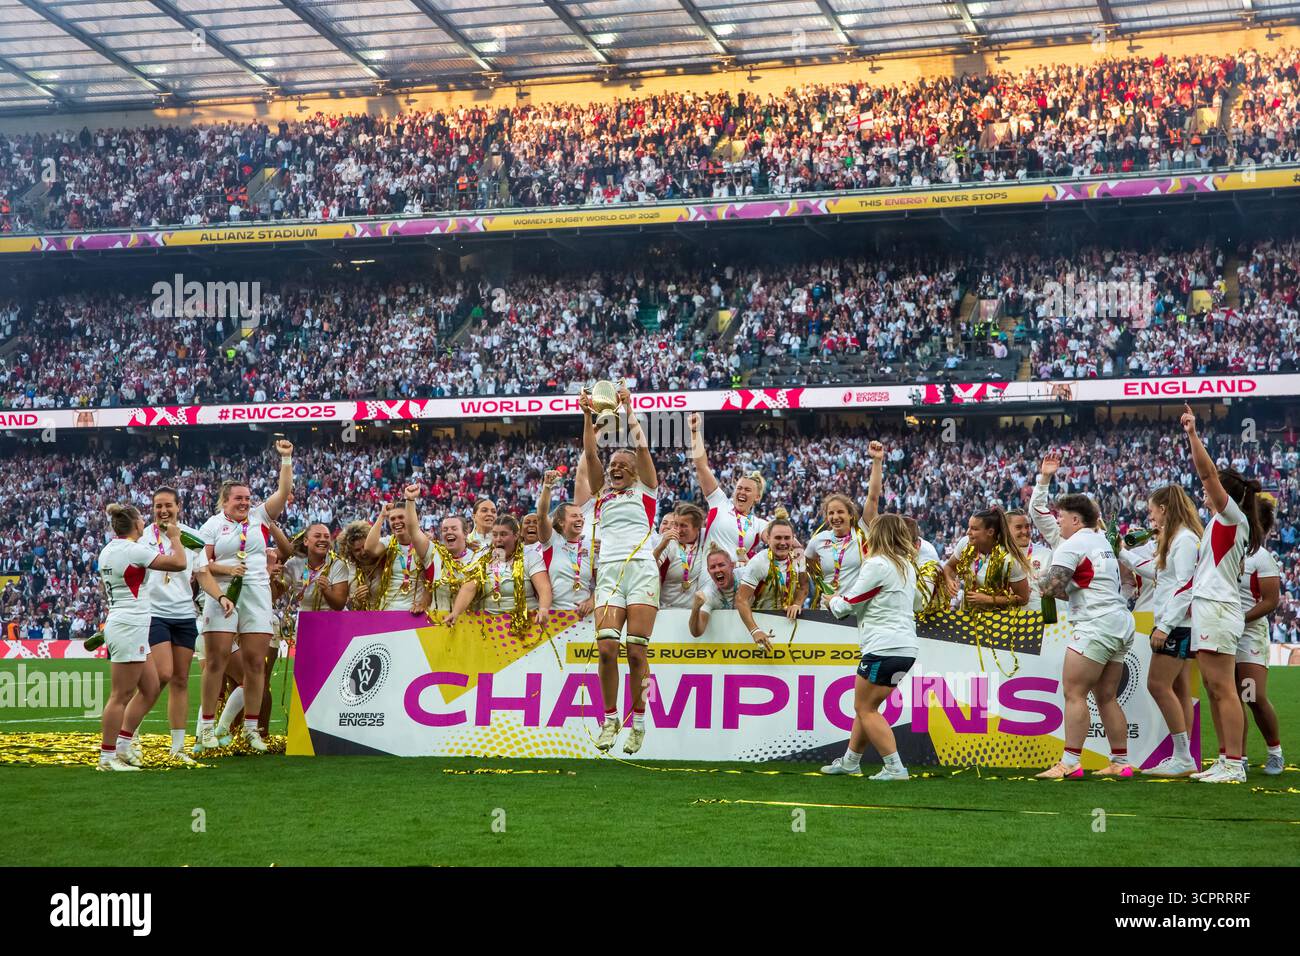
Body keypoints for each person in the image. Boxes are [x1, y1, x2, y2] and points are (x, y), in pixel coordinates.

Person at [195, 439, 294, 753]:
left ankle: (251, 729)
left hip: (256, 595)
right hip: (221, 595)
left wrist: (287, 459)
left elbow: (282, 493)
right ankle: (207, 729)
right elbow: (203, 566)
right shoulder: (211, 525)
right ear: (225, 501)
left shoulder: (259, 518)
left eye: (248, 498)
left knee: (255, 664)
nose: (244, 503)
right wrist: (226, 570)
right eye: (238, 498)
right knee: (216, 662)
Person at [1181, 403, 1261, 783]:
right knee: (1214, 688)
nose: (1202, 488)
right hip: (1210, 608)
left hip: (1217, 609)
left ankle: (1234, 763)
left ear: (1224, 493)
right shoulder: (1219, 521)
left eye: (1209, 487)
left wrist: (1193, 434)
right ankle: (1224, 759)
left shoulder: (1232, 517)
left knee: (1222, 687)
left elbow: (1206, 471)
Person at [821, 514, 932, 781]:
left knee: (865, 708)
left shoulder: (877, 565)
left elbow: (849, 604)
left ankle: (895, 767)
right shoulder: (906, 565)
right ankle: (850, 762)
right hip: (905, 648)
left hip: (883, 646)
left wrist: (832, 600)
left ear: (877, 536)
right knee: (867, 706)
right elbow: (918, 603)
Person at [1035, 490, 1137, 779]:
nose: (1059, 523)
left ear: (1076, 519)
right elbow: (1089, 585)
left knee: (1074, 692)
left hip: (1096, 624)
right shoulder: (1102, 541)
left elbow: (1053, 587)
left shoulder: (1072, 544)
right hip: (1119, 621)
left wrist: (1039, 581)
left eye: (1062, 518)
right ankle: (1120, 762)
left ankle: (1069, 763)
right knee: (1106, 696)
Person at [581, 384, 659, 754]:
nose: (616, 469)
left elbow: (642, 447)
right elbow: (590, 453)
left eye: (622, 467)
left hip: (642, 570)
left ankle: (639, 723)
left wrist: (629, 407)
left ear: (635, 472)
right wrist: (588, 415)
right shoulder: (601, 495)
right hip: (610, 573)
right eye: (613, 466)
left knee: (636, 652)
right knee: (608, 648)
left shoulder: (646, 491)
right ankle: (610, 719)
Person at [95, 504, 188, 771]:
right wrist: (175, 539)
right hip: (129, 626)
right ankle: (107, 757)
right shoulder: (133, 549)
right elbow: (179, 563)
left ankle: (122, 747)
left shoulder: (108, 550)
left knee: (151, 687)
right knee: (120, 695)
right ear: (137, 524)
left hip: (126, 623)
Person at [1130, 484, 1201, 777]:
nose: (1151, 518)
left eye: (1152, 511)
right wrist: (1122, 554)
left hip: (1176, 625)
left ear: (1164, 509)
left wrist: (1164, 626)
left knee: (1157, 685)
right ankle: (1182, 755)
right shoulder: (1179, 539)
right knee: (1179, 689)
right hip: (1178, 624)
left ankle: (1182, 756)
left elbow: (1186, 586)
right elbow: (1159, 572)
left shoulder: (1184, 540)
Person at [142, 487, 204, 765]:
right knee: (162, 675)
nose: (163, 511)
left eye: (168, 505)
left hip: (184, 614)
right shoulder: (142, 539)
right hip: (154, 613)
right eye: (158, 506)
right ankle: (129, 733)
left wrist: (222, 596)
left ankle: (178, 748)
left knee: (180, 680)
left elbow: (201, 574)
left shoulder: (191, 538)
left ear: (179, 507)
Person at [1236, 493, 1284, 776]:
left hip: (1248, 635)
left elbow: (1270, 601)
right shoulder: (1228, 550)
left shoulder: (1262, 558)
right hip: (1223, 633)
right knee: (1231, 697)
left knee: (1252, 695)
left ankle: (1274, 751)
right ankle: (1236, 755)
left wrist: (1239, 620)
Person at [445, 515, 552, 635]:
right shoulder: (483, 556)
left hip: (527, 624)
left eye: (503, 534)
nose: (498, 539)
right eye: (494, 534)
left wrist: (543, 608)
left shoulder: (530, 556)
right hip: (489, 626)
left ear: (516, 536)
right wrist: (456, 612)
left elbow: (544, 587)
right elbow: (469, 587)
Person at [689, 412, 768, 566]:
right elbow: (701, 466)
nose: (742, 492)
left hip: (738, 581)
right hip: (708, 579)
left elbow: (776, 536)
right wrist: (695, 432)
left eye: (747, 490)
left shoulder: (759, 524)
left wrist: (796, 547)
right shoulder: (720, 503)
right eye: (739, 488)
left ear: (757, 497)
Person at [736, 511, 808, 651]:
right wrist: (755, 631)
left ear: (793, 538)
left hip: (788, 622)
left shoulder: (799, 558)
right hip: (760, 622)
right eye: (778, 538)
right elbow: (741, 599)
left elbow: (803, 586)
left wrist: (797, 603)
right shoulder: (758, 563)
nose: (783, 543)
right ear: (768, 539)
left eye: (787, 538)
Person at [941, 507, 1030, 612]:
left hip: (998, 622)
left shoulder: (1009, 559)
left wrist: (988, 600)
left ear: (990, 532)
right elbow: (949, 567)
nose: (968, 532)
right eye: (969, 528)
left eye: (974, 529)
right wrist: (949, 580)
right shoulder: (965, 543)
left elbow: (1023, 598)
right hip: (967, 617)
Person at [536, 467, 595, 617]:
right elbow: (542, 516)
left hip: (584, 619)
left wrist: (591, 602)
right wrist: (547, 487)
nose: (580, 519)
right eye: (574, 516)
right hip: (554, 617)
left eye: (581, 516)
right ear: (561, 522)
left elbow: (603, 583)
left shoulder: (591, 546)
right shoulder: (551, 542)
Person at [362, 486, 428, 613]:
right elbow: (370, 549)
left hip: (415, 611)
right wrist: (382, 516)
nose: (396, 522)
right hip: (388, 610)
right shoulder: (388, 542)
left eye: (401, 517)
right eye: (392, 519)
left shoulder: (423, 543)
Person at [416, 514, 486, 614]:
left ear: (465, 533)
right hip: (437, 623)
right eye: (445, 530)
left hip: (469, 624)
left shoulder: (478, 558)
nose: (449, 531)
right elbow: (429, 589)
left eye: (454, 528)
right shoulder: (434, 555)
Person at [280, 523, 350, 613]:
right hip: (308, 621)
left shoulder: (337, 564)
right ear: (306, 541)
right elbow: (273, 596)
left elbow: (339, 605)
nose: (323, 539)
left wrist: (326, 590)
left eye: (326, 537)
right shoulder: (293, 564)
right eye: (317, 536)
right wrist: (271, 576)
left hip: (334, 622)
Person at [656, 503, 706, 609]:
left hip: (692, 612)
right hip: (666, 610)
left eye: (683, 526)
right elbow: (650, 568)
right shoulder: (667, 541)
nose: (678, 530)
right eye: (676, 524)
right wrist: (661, 546)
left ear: (697, 527)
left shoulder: (705, 538)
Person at [689, 545, 739, 637]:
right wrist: (695, 608)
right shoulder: (708, 593)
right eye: (713, 567)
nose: (717, 570)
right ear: (708, 571)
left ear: (732, 566)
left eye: (721, 565)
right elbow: (696, 632)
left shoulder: (745, 577)